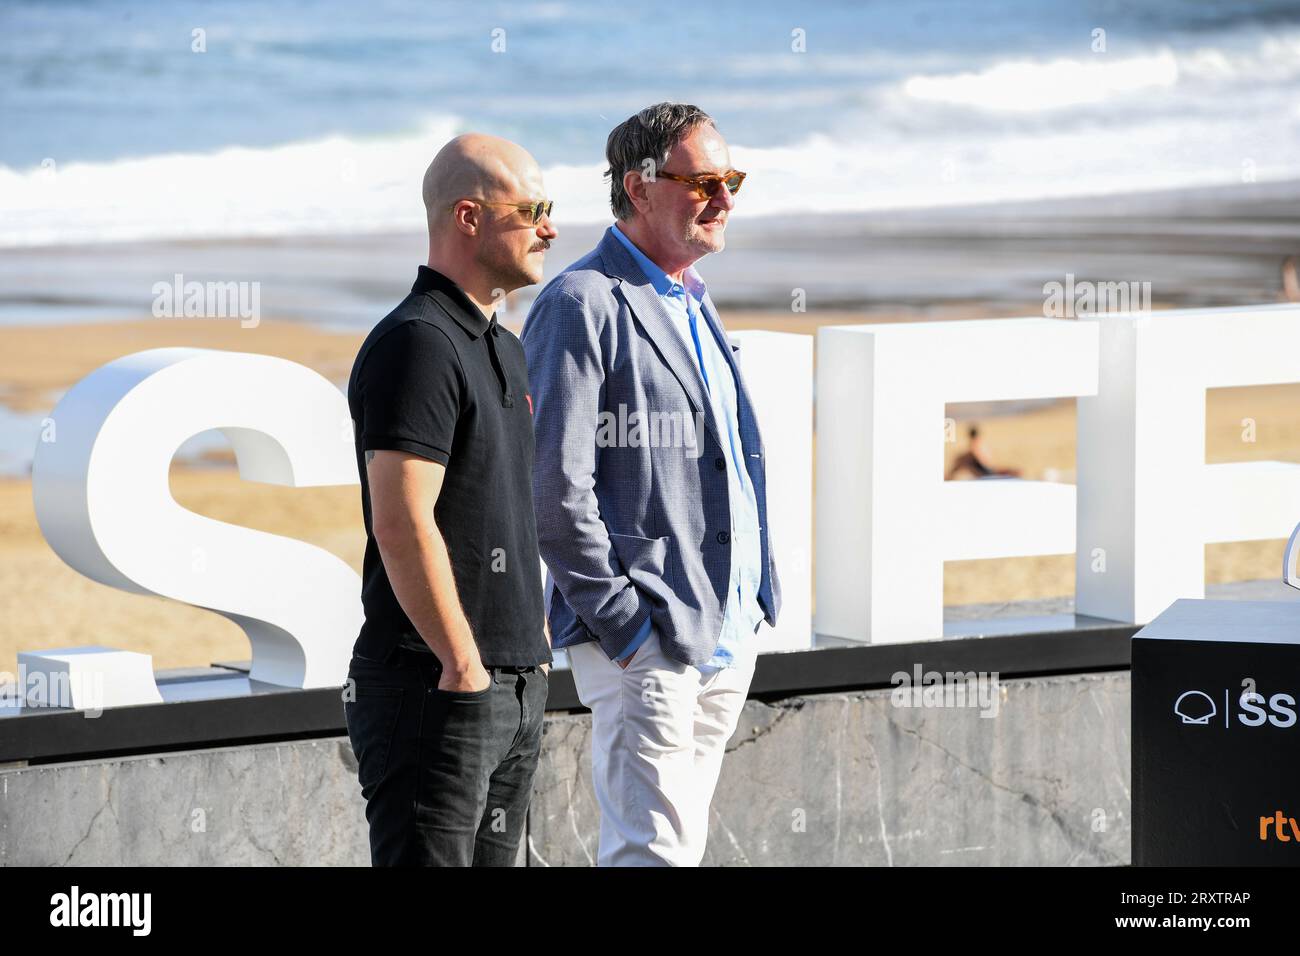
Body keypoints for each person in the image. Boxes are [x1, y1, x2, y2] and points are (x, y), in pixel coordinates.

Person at [521, 103, 781, 866]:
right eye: (704, 181)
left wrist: (754, 594)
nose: (725, 198)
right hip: (648, 637)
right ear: (639, 189)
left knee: (677, 851)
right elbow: (554, 490)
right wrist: (628, 630)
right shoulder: (580, 303)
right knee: (651, 855)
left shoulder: (693, 297)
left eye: (730, 179)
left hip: (725, 630)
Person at [343, 133, 557, 866]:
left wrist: (528, 659)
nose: (550, 228)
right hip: (437, 688)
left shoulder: (503, 344)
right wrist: (464, 668)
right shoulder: (418, 342)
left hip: (514, 684)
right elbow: (402, 523)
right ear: (468, 216)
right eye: (533, 209)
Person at [946, 425, 1021, 479]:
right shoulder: (980, 444)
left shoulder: (974, 446)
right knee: (1000, 471)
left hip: (984, 470)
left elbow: (982, 462)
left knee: (999, 472)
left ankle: (947, 477)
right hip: (986, 468)